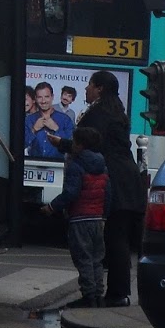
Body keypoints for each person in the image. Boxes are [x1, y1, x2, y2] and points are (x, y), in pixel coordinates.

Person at [74, 69, 147, 306]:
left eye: (90, 85)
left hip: (115, 180)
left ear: (99, 89)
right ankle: (119, 292)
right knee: (120, 238)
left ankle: (114, 294)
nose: (86, 89)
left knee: (114, 239)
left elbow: (86, 142)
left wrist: (62, 143)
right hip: (129, 179)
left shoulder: (97, 114)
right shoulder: (117, 112)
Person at [46, 124, 111, 308]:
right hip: (98, 220)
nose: (72, 144)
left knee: (83, 259)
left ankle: (88, 296)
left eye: (74, 142)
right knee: (97, 259)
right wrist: (104, 216)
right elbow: (108, 195)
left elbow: (71, 193)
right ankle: (98, 295)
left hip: (80, 218)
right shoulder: (103, 167)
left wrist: (52, 207)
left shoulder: (76, 166)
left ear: (80, 145)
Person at [24, 81, 72, 158]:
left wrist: (56, 129)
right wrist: (34, 129)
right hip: (33, 165)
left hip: (58, 166)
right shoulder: (29, 120)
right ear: (35, 99)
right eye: (40, 97)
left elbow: (71, 147)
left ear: (52, 97)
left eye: (47, 97)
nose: (43, 101)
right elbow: (21, 145)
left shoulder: (65, 120)